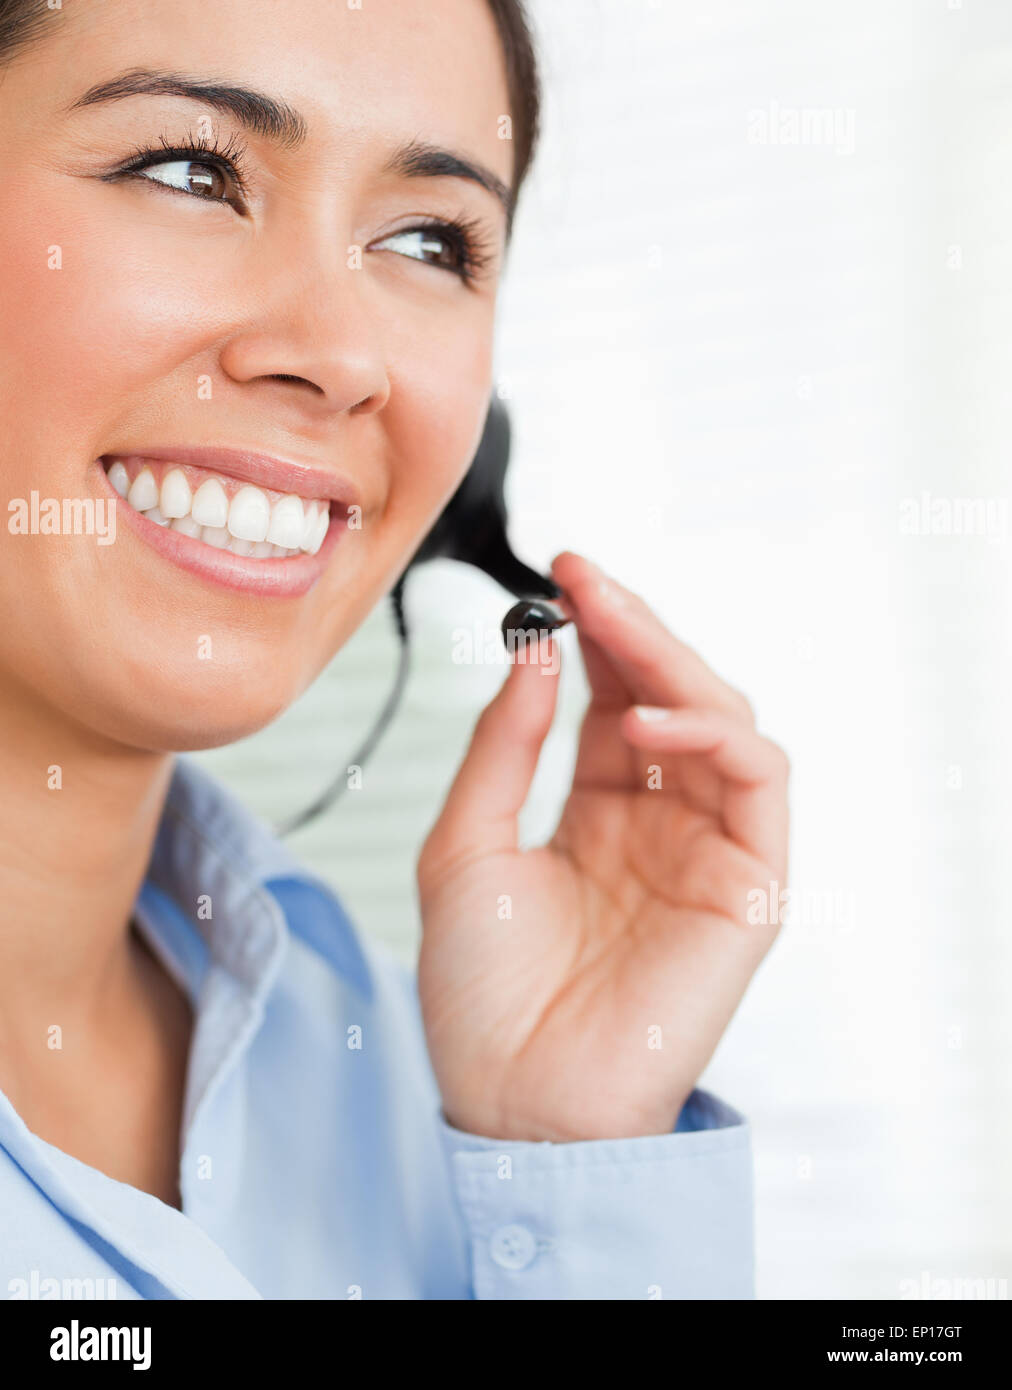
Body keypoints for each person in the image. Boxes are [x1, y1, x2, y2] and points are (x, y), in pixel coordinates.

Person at [0, 0, 790, 1299]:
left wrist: (566, 1170)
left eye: (429, 238)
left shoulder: (389, 1060)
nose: (338, 357)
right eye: (189, 170)